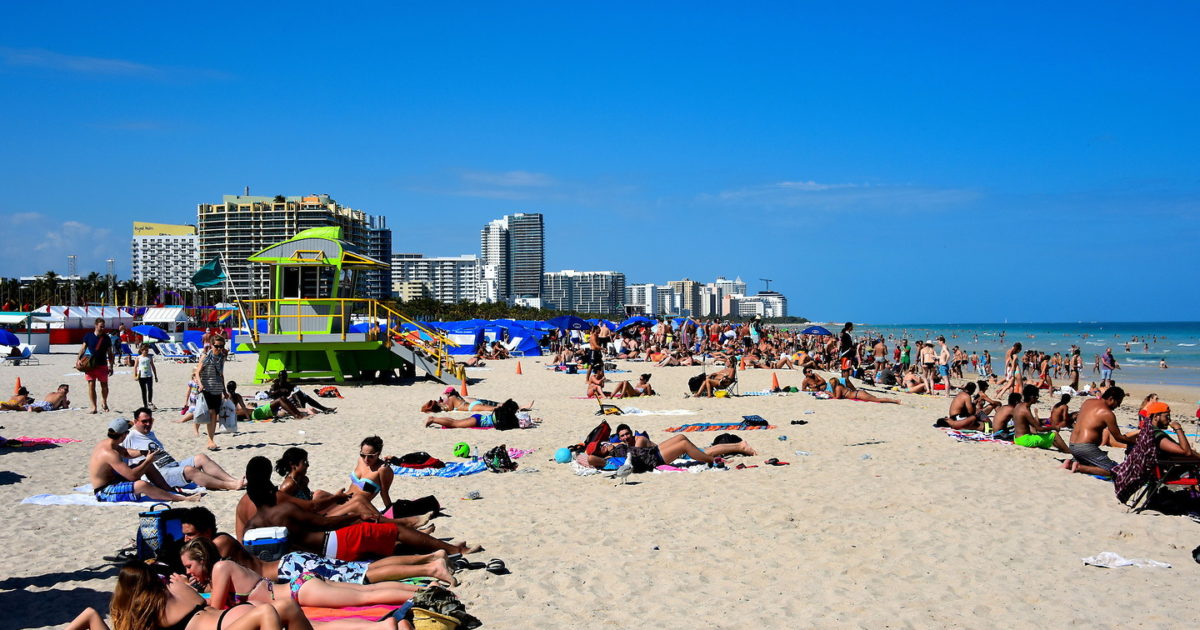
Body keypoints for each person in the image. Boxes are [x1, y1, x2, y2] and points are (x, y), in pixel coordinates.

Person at [237, 456, 478, 559]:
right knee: (390, 531)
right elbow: (324, 523)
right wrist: (354, 518)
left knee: (384, 539)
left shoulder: (252, 524)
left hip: (306, 555)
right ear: (270, 488)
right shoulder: (283, 509)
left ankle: (417, 534)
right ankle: (454, 550)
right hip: (331, 546)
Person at [180, 537, 424, 613]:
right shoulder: (222, 569)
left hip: (299, 592)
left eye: (189, 566)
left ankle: (424, 595)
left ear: (203, 560)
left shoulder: (221, 568)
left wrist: (188, 590)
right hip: (301, 584)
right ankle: (424, 591)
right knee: (366, 590)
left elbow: (216, 606)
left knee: (366, 596)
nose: (188, 572)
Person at [65, 561, 286, 630]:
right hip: (226, 618)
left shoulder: (141, 611)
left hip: (225, 621)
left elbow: (90, 613)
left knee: (273, 610)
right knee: (274, 609)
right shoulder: (165, 596)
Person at [275, 448, 433, 528]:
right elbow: (279, 508)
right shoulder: (288, 485)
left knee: (356, 500)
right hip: (309, 522)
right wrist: (334, 499)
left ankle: (399, 526)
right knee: (357, 503)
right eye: (305, 462)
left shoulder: (303, 479)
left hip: (314, 514)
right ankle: (402, 524)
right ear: (293, 465)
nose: (308, 465)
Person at [121, 407, 245, 491]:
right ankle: (230, 485)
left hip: (172, 464)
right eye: (144, 422)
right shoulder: (130, 436)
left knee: (201, 457)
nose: (148, 424)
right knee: (190, 470)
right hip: (158, 474)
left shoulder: (150, 434)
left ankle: (233, 480)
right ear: (135, 421)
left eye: (150, 421)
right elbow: (121, 454)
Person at [89, 418, 200, 503]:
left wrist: (144, 452)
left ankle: (169, 490)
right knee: (142, 484)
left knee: (147, 465)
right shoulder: (110, 453)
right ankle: (180, 498)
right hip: (104, 491)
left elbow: (126, 452)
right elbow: (132, 477)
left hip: (112, 481)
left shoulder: (108, 443)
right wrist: (148, 460)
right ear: (124, 435)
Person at [586, 433, 757, 472]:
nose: (603, 446)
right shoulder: (609, 459)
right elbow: (591, 459)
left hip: (651, 450)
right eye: (599, 448)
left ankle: (704, 454)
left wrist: (609, 445)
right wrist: (603, 454)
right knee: (683, 445)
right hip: (652, 460)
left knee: (682, 436)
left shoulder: (613, 445)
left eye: (600, 445)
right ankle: (712, 460)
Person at [1066, 386, 1132, 476]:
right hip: (1085, 447)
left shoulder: (1087, 402)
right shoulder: (1107, 413)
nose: (1118, 406)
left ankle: (1072, 462)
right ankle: (1078, 466)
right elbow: (1118, 437)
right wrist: (1134, 441)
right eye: (1118, 403)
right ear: (1111, 399)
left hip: (1072, 444)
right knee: (1112, 471)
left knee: (1093, 460)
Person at [1011, 385, 1069, 452]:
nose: (1037, 398)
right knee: (1055, 435)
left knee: (1049, 437)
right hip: (1024, 440)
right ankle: (1069, 452)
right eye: (1037, 396)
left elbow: (1031, 425)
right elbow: (1039, 428)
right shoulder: (1025, 410)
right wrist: (1054, 427)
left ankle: (1063, 450)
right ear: (1032, 397)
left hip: (1017, 438)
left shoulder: (1019, 405)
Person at [78, 317, 115, 414]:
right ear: (96, 326)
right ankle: (94, 407)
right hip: (90, 365)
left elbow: (110, 353)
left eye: (103, 327)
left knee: (104, 386)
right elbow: (82, 348)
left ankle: (104, 401)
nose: (103, 328)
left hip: (102, 364)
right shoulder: (88, 336)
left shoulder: (106, 338)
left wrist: (111, 365)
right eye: (101, 327)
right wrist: (78, 359)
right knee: (91, 385)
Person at [829, 378, 900, 404]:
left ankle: (896, 401)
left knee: (877, 399)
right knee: (876, 398)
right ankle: (895, 401)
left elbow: (837, 397)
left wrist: (829, 393)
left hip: (858, 395)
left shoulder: (838, 387)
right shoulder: (840, 385)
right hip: (858, 393)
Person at [133, 344, 159, 410]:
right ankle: (145, 405)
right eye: (145, 350)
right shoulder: (138, 358)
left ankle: (149, 401)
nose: (147, 351)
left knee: (150, 389)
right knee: (144, 391)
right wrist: (135, 375)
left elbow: (153, 366)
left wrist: (155, 375)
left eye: (147, 350)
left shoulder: (150, 357)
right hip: (141, 376)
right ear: (142, 350)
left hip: (149, 375)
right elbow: (135, 367)